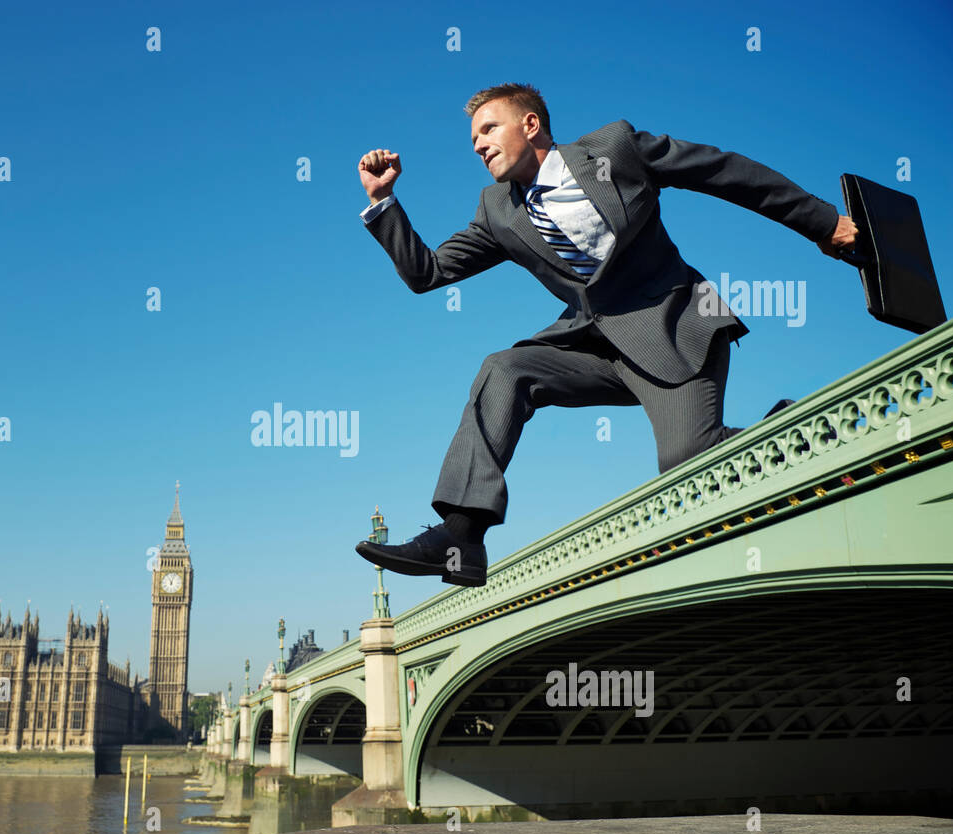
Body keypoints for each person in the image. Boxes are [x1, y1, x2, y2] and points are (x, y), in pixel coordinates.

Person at [353, 83, 858, 588]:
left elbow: (726, 173)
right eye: (474, 141)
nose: (479, 145)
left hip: (673, 329)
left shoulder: (616, 150)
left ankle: (797, 430)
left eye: (489, 129)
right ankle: (461, 535)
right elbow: (429, 273)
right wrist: (384, 201)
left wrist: (823, 223)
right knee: (504, 369)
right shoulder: (498, 210)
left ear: (531, 125)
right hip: (594, 349)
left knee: (689, 465)